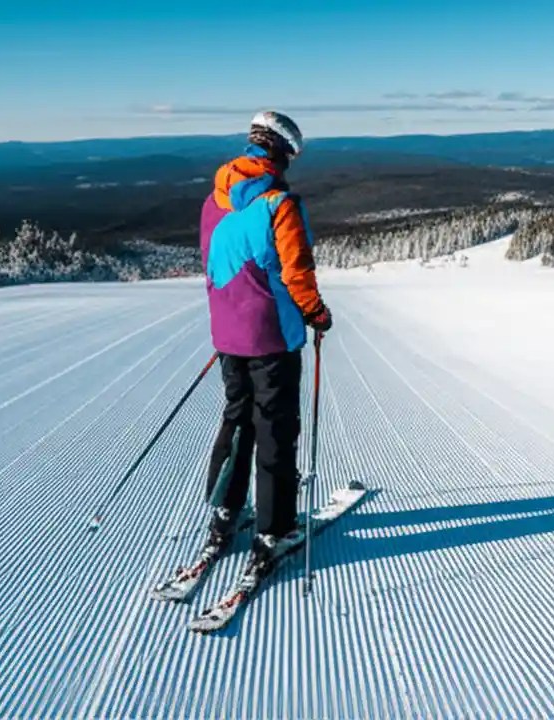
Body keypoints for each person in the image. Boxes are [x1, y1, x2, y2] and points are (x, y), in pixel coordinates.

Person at [198, 111, 333, 581]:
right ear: (281, 152)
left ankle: (223, 511)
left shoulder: (213, 201)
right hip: (272, 337)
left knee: (237, 418)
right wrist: (317, 314)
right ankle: (274, 529)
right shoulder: (280, 205)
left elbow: (212, 266)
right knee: (275, 429)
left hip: (229, 334)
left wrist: (229, 320)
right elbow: (297, 275)